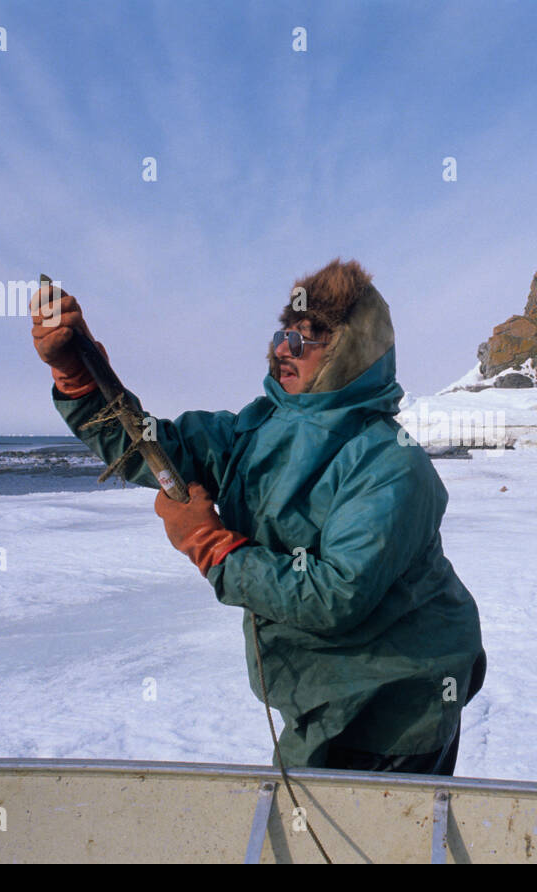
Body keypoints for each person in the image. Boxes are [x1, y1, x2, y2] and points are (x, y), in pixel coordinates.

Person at [30, 259, 486, 775]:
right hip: (324, 693)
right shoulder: (256, 429)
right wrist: (81, 375)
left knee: (375, 841)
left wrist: (214, 547)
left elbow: (337, 595)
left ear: (351, 354)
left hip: (400, 697)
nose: (284, 349)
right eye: (283, 334)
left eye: (308, 340)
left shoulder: (390, 463)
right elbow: (151, 451)